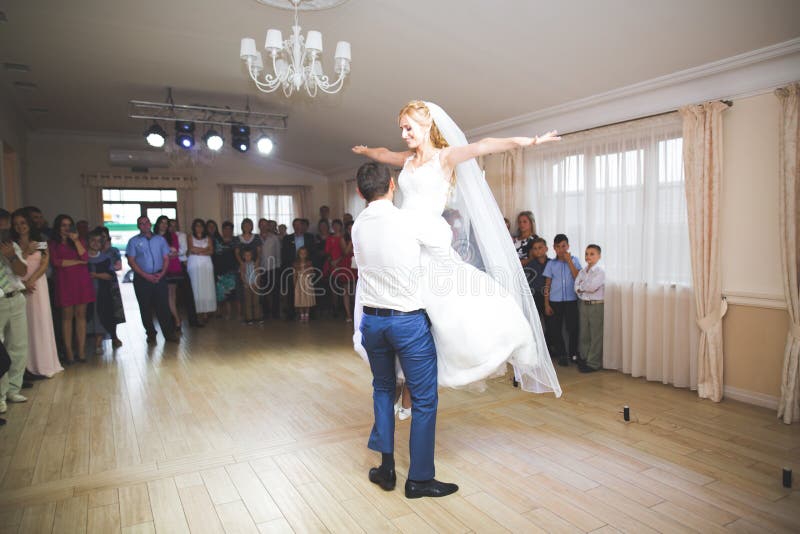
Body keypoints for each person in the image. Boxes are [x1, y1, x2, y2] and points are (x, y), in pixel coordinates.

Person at [352, 100, 562, 395]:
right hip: (405, 241)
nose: (403, 133)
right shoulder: (408, 160)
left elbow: (484, 145)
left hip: (430, 240)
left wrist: (527, 141)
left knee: (442, 313)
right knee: (404, 311)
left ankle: (425, 382)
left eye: (408, 127)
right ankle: (404, 383)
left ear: (426, 125)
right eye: (401, 128)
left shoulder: (445, 157)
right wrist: (366, 152)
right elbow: (384, 154)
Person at [352, 161, 458, 498]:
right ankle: (420, 479)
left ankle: (386, 470)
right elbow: (443, 254)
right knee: (424, 398)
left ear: (359, 193)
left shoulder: (356, 226)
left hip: (372, 321)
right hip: (407, 320)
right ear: (392, 185)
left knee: (383, 389)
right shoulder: (408, 220)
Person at [11, 210, 62, 377]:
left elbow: (44, 263)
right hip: (19, 284)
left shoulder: (40, 241)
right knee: (23, 325)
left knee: (39, 321)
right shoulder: (12, 244)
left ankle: (43, 363)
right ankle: (26, 366)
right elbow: (12, 266)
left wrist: (32, 279)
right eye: (16, 224)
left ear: (29, 224)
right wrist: (25, 251)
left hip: (37, 284)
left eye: (23, 223)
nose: (20, 227)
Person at [50, 214, 95, 362]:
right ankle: (69, 351)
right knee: (67, 318)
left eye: (69, 225)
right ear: (58, 227)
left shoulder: (78, 240)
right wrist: (77, 262)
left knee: (81, 316)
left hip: (81, 282)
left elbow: (85, 258)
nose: (66, 228)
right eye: (63, 225)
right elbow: (56, 262)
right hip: (65, 282)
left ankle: (81, 351)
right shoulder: (53, 243)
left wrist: (75, 241)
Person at [126, 215, 177, 344]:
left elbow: (166, 258)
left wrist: (162, 273)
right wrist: (145, 275)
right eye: (141, 223)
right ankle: (151, 333)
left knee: (163, 306)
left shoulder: (160, 239)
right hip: (142, 279)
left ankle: (168, 333)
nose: (145, 225)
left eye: (146, 222)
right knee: (145, 307)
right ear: (138, 226)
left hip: (160, 276)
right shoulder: (133, 241)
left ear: (150, 223)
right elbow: (131, 261)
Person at [0, 209, 31, 411]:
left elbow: (22, 272)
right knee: (1, 350)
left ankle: (13, 389)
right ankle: (0, 395)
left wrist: (11, 256)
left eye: (6, 226)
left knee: (18, 346)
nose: (5, 229)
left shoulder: (12, 246)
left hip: (16, 297)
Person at [543, 234, 582, 367]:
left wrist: (569, 261)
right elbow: (547, 285)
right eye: (558, 247)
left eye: (563, 246)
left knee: (573, 328)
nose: (561, 249)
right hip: (555, 301)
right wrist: (546, 303)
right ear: (554, 248)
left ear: (568, 246)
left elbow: (578, 277)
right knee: (556, 329)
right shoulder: (551, 264)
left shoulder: (575, 260)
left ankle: (573, 354)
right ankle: (562, 355)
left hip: (571, 300)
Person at [86, 228, 125, 353]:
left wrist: (96, 275)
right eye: (93, 240)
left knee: (103, 315)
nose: (96, 243)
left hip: (104, 292)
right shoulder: (82, 257)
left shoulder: (106, 257)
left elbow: (111, 274)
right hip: (86, 293)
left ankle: (100, 342)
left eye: (99, 241)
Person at [575, 244, 605, 373]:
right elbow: (576, 286)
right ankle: (585, 358)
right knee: (584, 333)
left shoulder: (600, 271)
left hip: (596, 305)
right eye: (586, 254)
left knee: (596, 335)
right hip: (584, 304)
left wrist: (583, 286)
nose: (588, 256)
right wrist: (582, 286)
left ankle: (593, 363)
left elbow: (592, 287)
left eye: (592, 254)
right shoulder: (582, 271)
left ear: (599, 256)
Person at [282, 219, 315, 320]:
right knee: (293, 292)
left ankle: (309, 314)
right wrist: (293, 264)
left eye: (299, 225)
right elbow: (285, 253)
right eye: (295, 225)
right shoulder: (287, 238)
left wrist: (310, 263)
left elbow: (313, 252)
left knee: (308, 292)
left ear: (303, 225)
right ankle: (293, 314)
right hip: (293, 268)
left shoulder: (310, 237)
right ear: (293, 226)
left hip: (307, 268)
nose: (297, 227)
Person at [154, 216, 183, 331]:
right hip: (157, 268)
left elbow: (174, 253)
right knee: (160, 297)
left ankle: (176, 319)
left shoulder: (172, 236)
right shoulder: (153, 236)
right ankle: (169, 320)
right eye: (162, 223)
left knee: (171, 295)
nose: (164, 225)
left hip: (172, 268)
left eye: (166, 223)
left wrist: (166, 253)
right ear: (158, 224)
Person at [187, 218, 217, 323]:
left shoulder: (208, 238)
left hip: (206, 264)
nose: (199, 227)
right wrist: (205, 250)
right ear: (194, 227)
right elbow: (191, 249)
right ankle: (196, 311)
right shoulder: (190, 236)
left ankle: (206, 311)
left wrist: (199, 251)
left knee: (206, 287)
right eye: (197, 225)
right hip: (194, 264)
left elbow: (211, 251)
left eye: (201, 225)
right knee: (195, 286)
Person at [214, 221, 239, 320]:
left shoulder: (236, 240)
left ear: (232, 230)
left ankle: (238, 314)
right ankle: (226, 313)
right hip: (220, 271)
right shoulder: (217, 240)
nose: (227, 231)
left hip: (232, 271)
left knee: (234, 294)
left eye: (230, 229)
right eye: (225, 229)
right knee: (223, 294)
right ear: (222, 230)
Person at [258, 219, 281, 319]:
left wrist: (278, 267)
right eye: (261, 225)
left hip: (273, 268)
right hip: (260, 269)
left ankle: (276, 313)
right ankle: (266, 312)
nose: (263, 226)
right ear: (259, 226)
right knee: (263, 292)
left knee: (275, 292)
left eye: (265, 225)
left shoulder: (274, 238)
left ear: (268, 226)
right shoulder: (256, 238)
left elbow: (278, 253)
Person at [240, 248, 263, 325]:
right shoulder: (243, 265)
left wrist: (256, 283)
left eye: (249, 255)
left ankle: (257, 317)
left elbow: (258, 274)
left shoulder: (255, 264)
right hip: (247, 286)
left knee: (256, 302)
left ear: (252, 256)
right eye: (246, 255)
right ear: (243, 256)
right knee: (248, 302)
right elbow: (242, 275)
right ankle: (249, 318)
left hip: (255, 285)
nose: (247, 257)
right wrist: (246, 283)